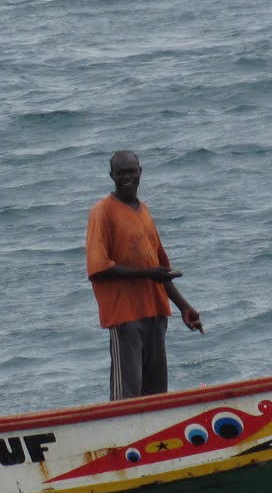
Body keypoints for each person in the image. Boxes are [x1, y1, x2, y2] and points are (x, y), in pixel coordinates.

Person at [86, 150, 203, 399]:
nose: (127, 178)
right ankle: (120, 436)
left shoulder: (144, 211)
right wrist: (148, 273)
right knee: (127, 393)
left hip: (156, 314)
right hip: (125, 317)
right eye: (121, 173)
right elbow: (99, 269)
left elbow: (160, 269)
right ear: (111, 176)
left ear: (141, 172)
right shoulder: (102, 211)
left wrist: (184, 306)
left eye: (132, 171)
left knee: (156, 393)